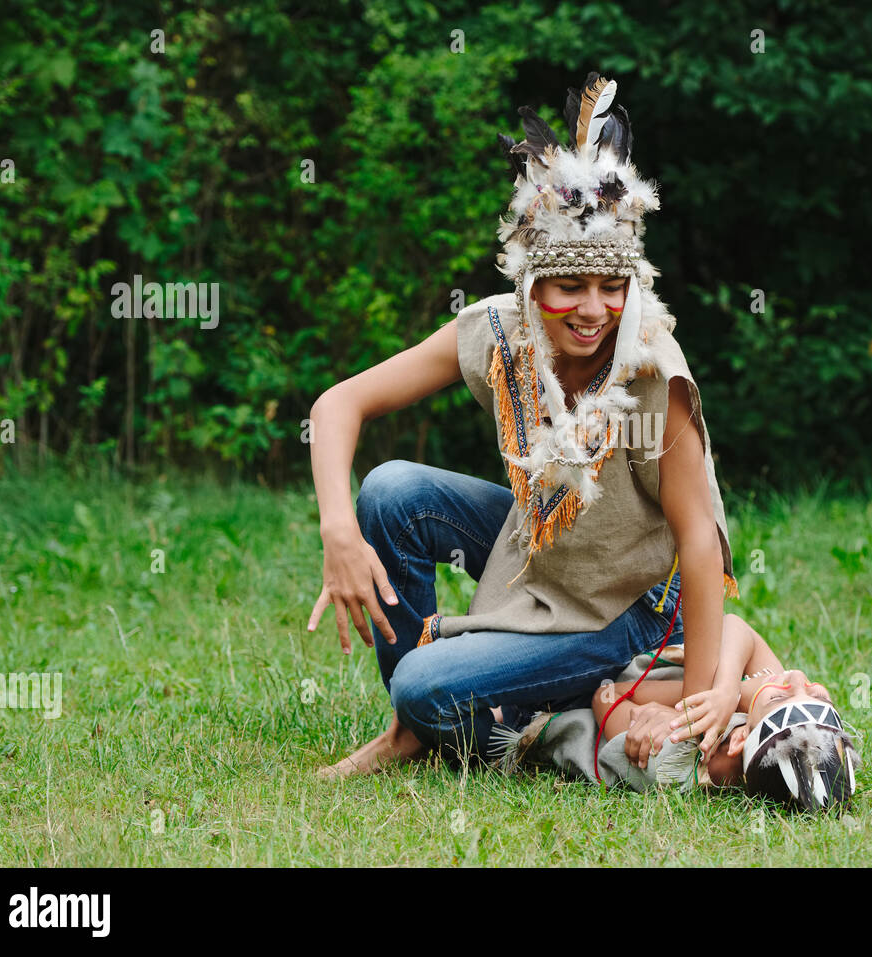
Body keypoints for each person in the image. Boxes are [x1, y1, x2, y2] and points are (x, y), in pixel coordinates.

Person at [308, 72, 742, 776]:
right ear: (531, 285)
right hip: (539, 550)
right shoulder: (497, 334)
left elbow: (698, 541)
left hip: (625, 605)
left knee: (427, 685)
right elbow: (337, 405)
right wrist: (338, 529)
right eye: (569, 286)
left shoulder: (653, 373)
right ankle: (428, 721)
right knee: (390, 492)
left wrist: (690, 714)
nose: (592, 309)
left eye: (611, 286)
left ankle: (440, 712)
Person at [592, 613, 861, 811]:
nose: (798, 676)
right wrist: (726, 692)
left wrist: (690, 709)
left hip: (612, 660)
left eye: (781, 696)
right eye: (817, 694)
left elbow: (607, 696)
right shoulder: (769, 734)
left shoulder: (669, 757)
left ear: (741, 738)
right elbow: (736, 625)